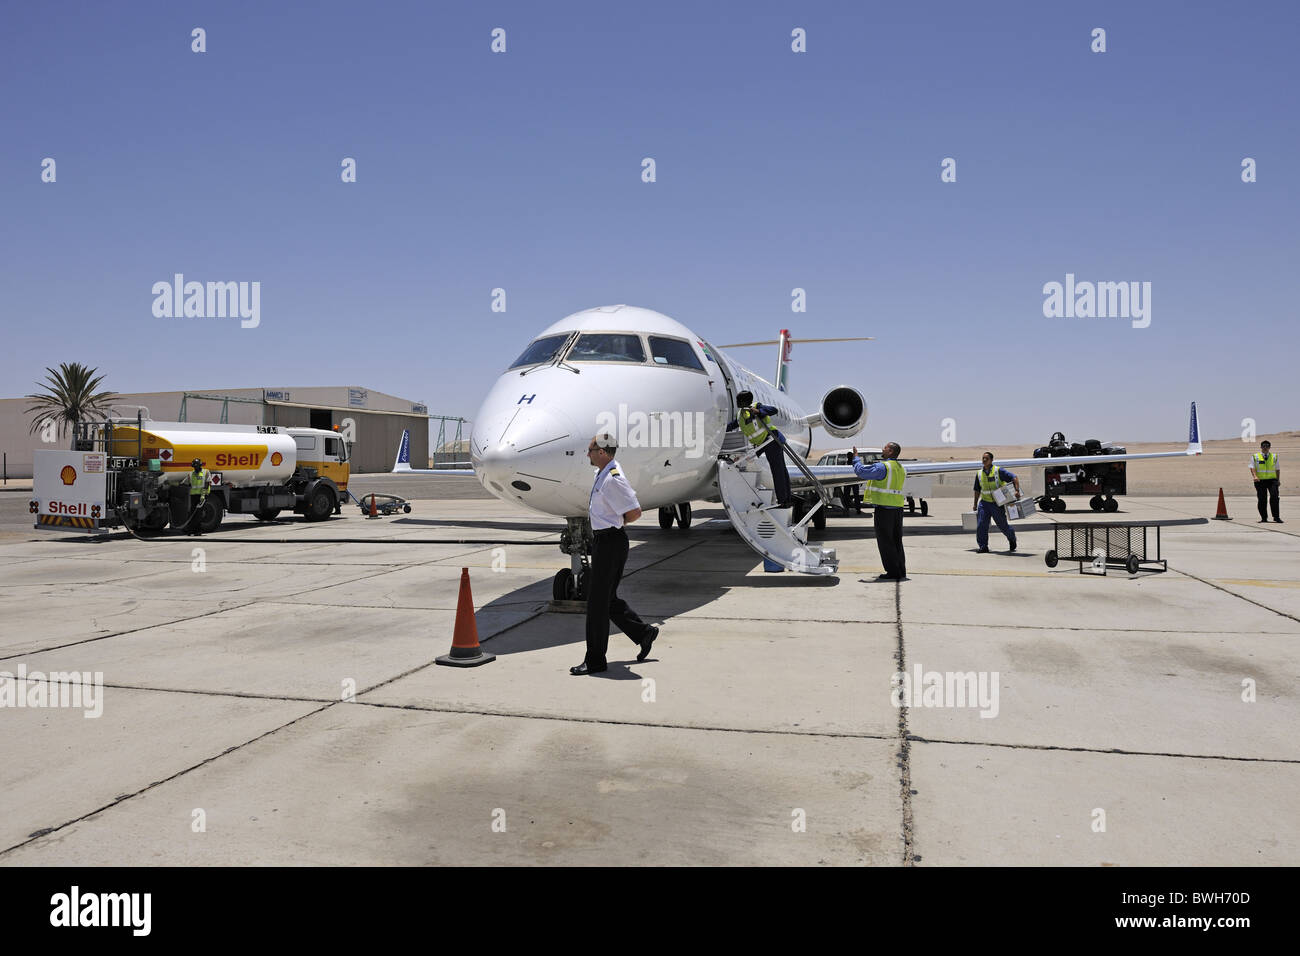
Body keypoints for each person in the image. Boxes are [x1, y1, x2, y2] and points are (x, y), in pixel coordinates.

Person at [571, 434, 660, 675]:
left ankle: (595, 660)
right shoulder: (604, 472)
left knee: (597, 603)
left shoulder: (613, 479)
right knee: (606, 599)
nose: (587, 454)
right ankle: (644, 633)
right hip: (605, 540)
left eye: (590, 450)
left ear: (601, 452)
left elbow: (635, 512)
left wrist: (615, 525)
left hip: (611, 541)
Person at [851, 442, 907, 580]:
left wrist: (856, 458)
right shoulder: (900, 468)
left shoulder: (883, 467)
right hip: (898, 509)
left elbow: (861, 472)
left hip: (885, 510)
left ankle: (893, 572)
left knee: (886, 542)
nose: (883, 449)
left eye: (886, 448)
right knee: (896, 541)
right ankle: (900, 570)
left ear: (891, 452)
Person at [728, 391, 792, 507]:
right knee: (780, 470)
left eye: (738, 400)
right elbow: (732, 425)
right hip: (761, 444)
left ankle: (783, 500)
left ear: (745, 401)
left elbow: (774, 410)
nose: (736, 402)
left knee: (778, 470)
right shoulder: (740, 415)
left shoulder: (756, 406)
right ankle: (786, 498)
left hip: (771, 440)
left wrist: (759, 412)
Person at [971, 452, 1021, 553]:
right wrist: (975, 504)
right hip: (984, 503)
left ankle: (1012, 538)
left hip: (997, 503)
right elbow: (977, 490)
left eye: (986, 458)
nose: (984, 460)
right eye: (983, 458)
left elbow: (1014, 477)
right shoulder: (979, 473)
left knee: (1002, 525)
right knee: (981, 525)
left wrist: (1017, 490)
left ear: (991, 460)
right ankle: (983, 546)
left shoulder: (998, 471)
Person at [1250, 439, 1282, 523]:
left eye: (1267, 446)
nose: (1265, 448)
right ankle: (1264, 518)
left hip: (1272, 480)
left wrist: (1278, 480)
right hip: (1260, 481)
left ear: (1269, 447)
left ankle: (1276, 517)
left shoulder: (1274, 456)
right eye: (1263, 446)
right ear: (1261, 447)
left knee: (1275, 497)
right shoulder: (1255, 456)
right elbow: (1252, 467)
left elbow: (1277, 469)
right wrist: (1255, 476)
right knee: (1262, 499)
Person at [186, 458, 210, 536]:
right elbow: (185, 483)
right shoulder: (191, 474)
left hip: (202, 496)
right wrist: (172, 483)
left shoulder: (206, 472)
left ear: (200, 465)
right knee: (192, 513)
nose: (195, 468)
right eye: (194, 466)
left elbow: (207, 484)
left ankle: (198, 531)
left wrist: (203, 495)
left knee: (199, 514)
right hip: (194, 495)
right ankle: (191, 530)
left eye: (196, 466)